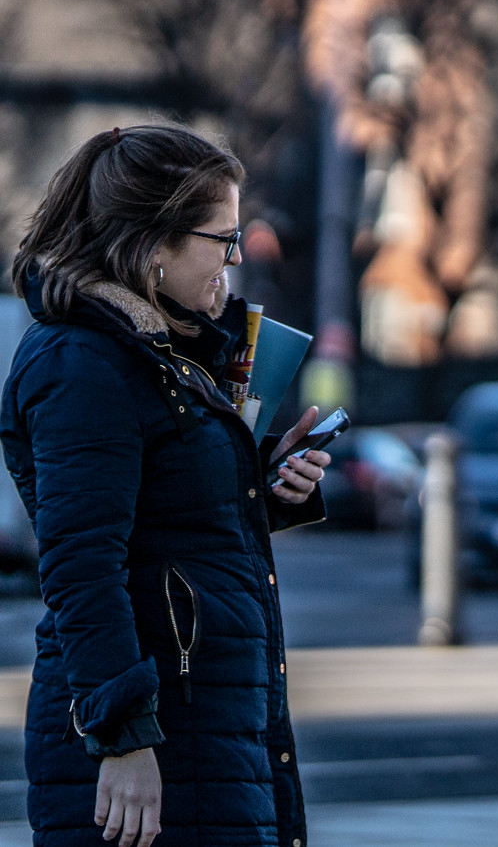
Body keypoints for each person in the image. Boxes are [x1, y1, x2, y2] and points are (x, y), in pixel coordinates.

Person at [1, 126, 331, 847]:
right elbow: (82, 567)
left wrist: (268, 488)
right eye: (222, 239)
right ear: (153, 244)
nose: (234, 261)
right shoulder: (84, 364)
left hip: (202, 730)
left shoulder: (159, 356)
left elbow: (168, 522)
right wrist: (122, 740)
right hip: (151, 746)